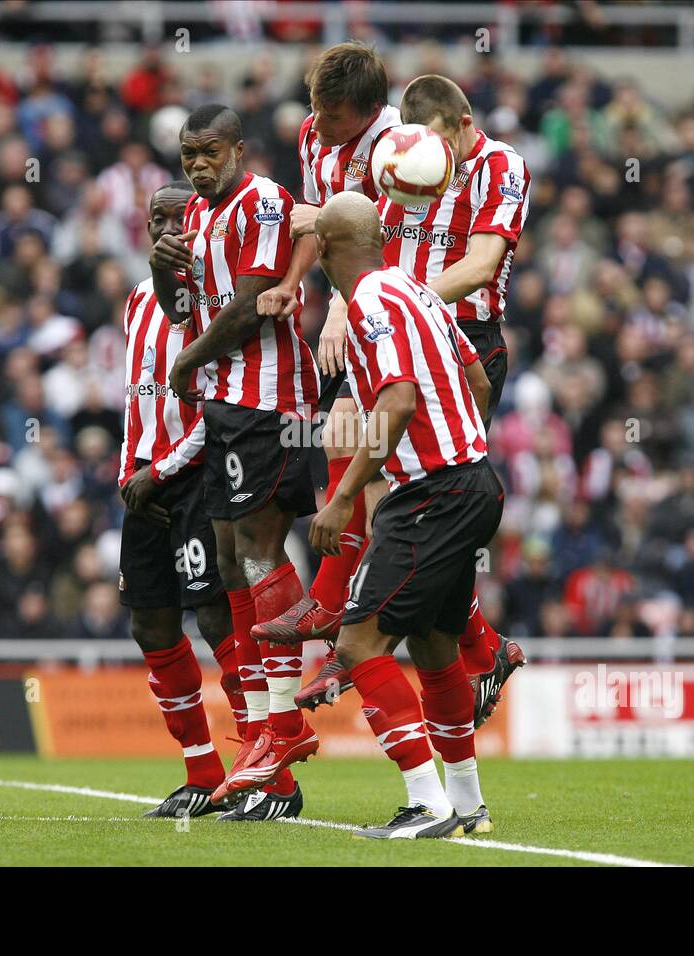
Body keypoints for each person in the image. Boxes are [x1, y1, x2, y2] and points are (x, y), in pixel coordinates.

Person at [305, 191, 502, 838]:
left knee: (358, 642)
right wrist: (458, 442)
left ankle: (427, 801)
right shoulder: (418, 290)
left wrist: (341, 496)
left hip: (431, 494)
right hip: (475, 482)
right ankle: (467, 800)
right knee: (434, 642)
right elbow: (475, 382)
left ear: (327, 248)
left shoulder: (365, 302)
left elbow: (396, 395)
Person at [149, 105, 319, 808]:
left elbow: (252, 307)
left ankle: (283, 722)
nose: (196, 164)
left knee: (256, 548)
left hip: (270, 401)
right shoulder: (197, 220)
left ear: (238, 149)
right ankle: (262, 727)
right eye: (188, 154)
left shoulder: (266, 202)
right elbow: (182, 311)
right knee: (227, 562)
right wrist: (160, 272)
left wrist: (187, 362)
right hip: (225, 406)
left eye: (208, 150)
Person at [374, 73, 531, 724]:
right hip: (404, 337)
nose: (429, 154)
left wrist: (407, 304)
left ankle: (468, 644)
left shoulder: (501, 165)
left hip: (466, 339)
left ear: (461, 121)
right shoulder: (405, 161)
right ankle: (481, 646)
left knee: (440, 499)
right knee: (388, 491)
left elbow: (483, 263)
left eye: (438, 140)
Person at [249, 42, 401, 710]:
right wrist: (291, 283)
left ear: (366, 112)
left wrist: (343, 306)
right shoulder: (315, 133)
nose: (317, 122)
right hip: (351, 300)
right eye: (315, 105)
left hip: (398, 304)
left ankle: (342, 614)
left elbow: (381, 241)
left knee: (386, 481)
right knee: (347, 444)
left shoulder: (399, 147)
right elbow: (322, 224)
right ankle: (343, 617)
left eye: (332, 114)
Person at [119, 180, 272, 820]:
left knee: (217, 620)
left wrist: (166, 467)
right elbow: (138, 396)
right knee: (150, 623)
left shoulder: (213, 304)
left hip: (195, 477)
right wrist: (131, 469)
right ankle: (201, 772)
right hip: (141, 482)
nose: (164, 227)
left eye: (175, 216)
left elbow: (220, 401)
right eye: (155, 217)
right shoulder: (134, 302)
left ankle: (260, 767)